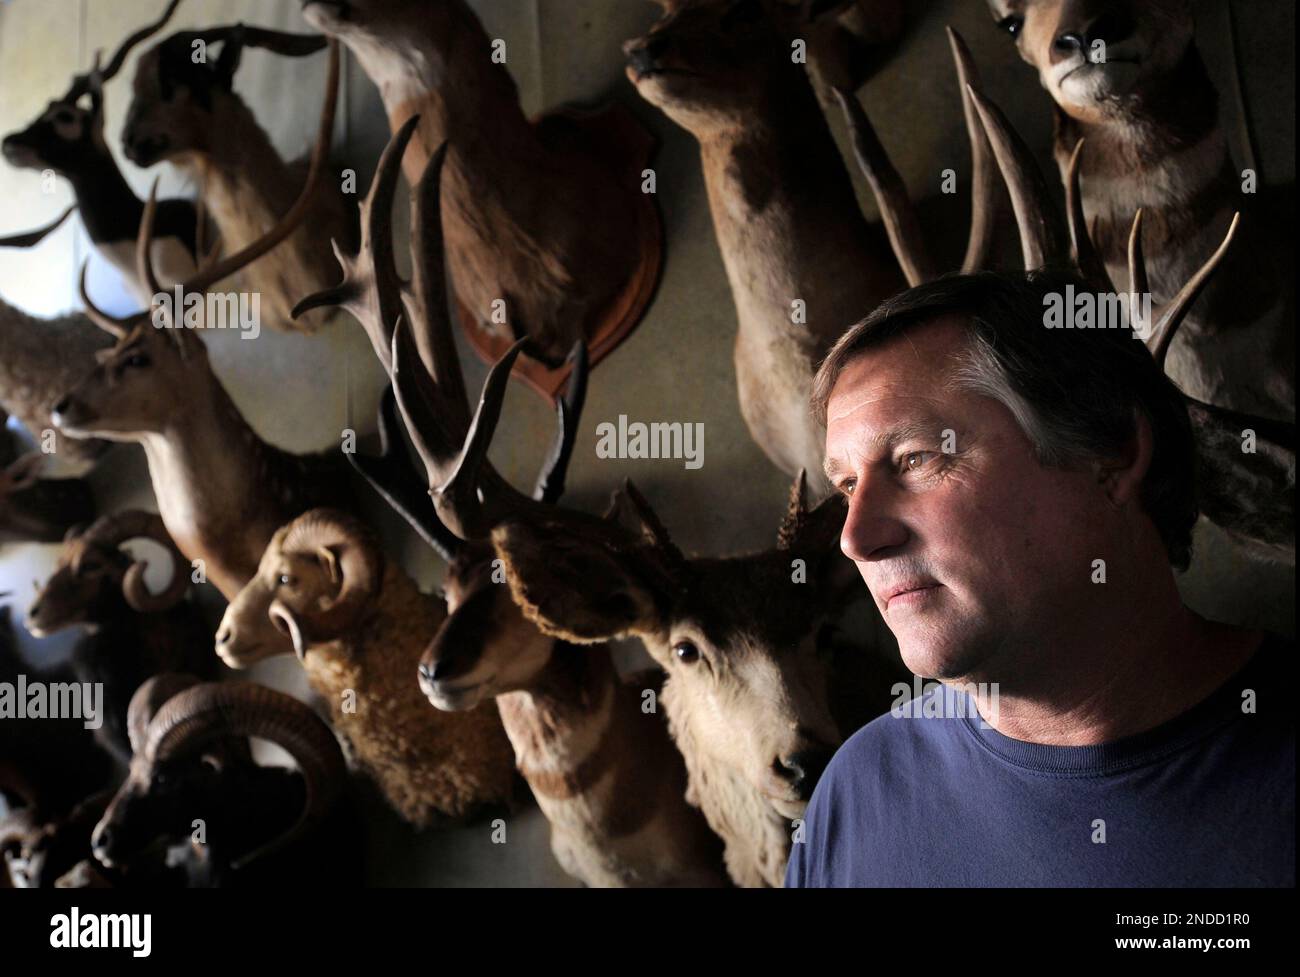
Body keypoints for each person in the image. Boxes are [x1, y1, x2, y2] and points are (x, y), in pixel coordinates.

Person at [785, 271, 1294, 887]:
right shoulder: (856, 794)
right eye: (846, 486)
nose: (855, 537)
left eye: (916, 458)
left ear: (1110, 453)